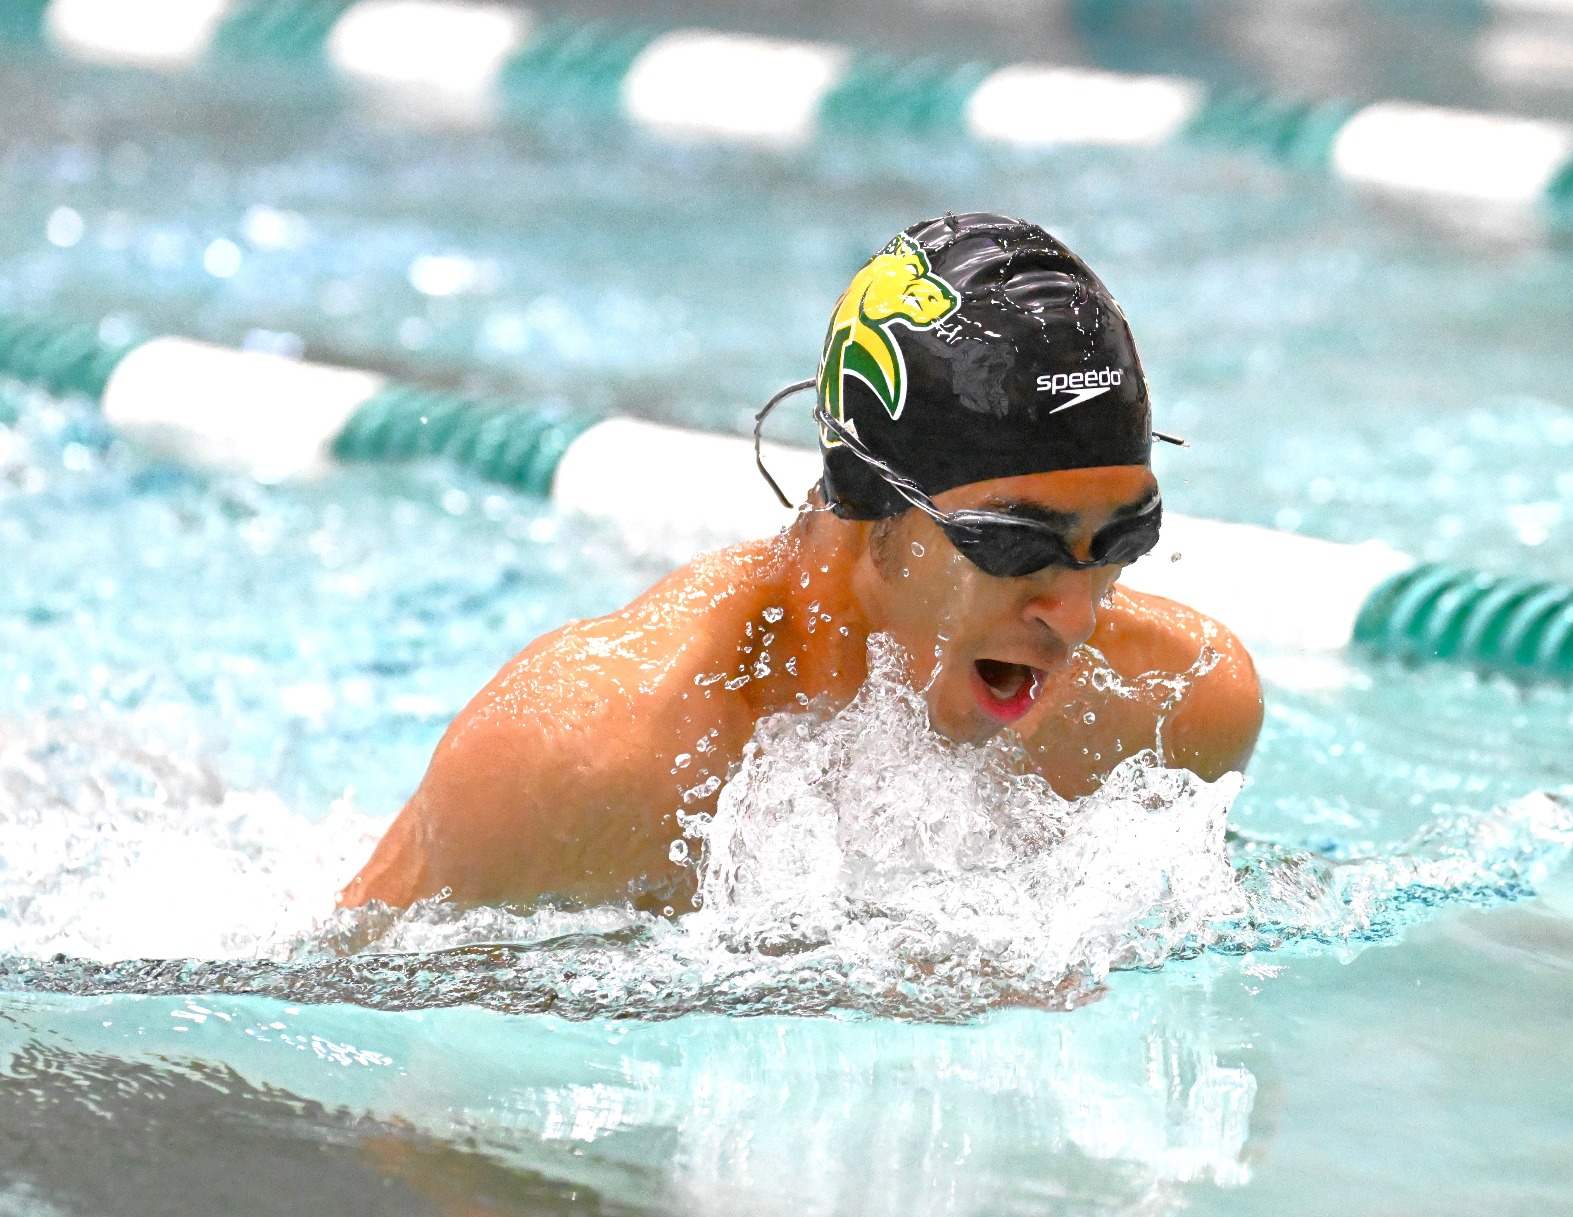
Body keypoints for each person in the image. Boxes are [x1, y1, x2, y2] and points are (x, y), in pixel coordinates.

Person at [339, 213, 1263, 914]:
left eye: (1120, 544)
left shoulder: (1173, 710)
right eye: (1015, 545)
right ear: (868, 496)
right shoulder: (587, 756)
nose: (1077, 614)